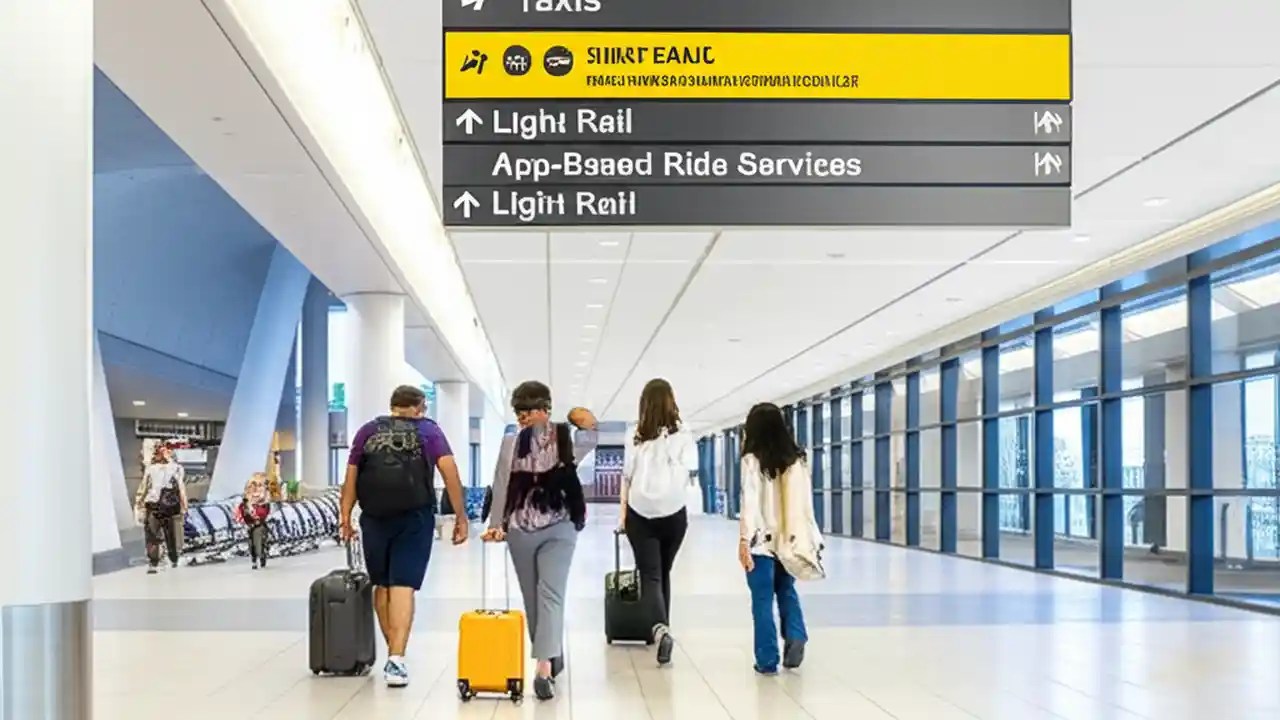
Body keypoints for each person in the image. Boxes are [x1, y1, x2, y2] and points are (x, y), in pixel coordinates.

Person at [339, 385, 469, 688]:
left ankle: (393, 652)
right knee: (404, 584)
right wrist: (460, 516)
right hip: (415, 517)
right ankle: (397, 657)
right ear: (419, 407)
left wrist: (345, 516)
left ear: (393, 405)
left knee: (381, 584)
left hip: (373, 518)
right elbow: (449, 471)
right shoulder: (428, 432)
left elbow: (351, 478)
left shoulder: (367, 431)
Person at [482, 381, 597, 701]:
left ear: (546, 409)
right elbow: (501, 483)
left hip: (560, 527)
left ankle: (543, 667)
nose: (524, 417)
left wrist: (582, 419)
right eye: (519, 412)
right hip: (520, 530)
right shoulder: (510, 443)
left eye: (530, 410)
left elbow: (590, 438)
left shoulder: (565, 437)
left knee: (551, 593)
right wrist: (495, 525)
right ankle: (551, 649)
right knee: (533, 599)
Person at [619, 378, 698, 666]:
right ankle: (663, 627)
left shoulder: (634, 435)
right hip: (674, 514)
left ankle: (660, 628)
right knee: (664, 571)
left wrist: (622, 516)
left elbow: (626, 478)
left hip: (641, 514)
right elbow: (690, 469)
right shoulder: (685, 433)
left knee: (650, 574)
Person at [737, 402, 815, 675]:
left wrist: (744, 540)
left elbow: (750, 503)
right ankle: (796, 634)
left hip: (761, 543)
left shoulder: (751, 461)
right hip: (788, 541)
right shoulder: (797, 460)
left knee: (761, 600)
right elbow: (804, 504)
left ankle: (767, 660)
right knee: (786, 590)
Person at [133, 445, 189, 574]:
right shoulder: (177, 469)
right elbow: (181, 488)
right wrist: (184, 505)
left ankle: (153, 562)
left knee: (152, 534)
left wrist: (139, 502)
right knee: (171, 534)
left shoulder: (151, 469)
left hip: (153, 505)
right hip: (170, 506)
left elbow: (144, 487)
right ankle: (173, 559)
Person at [236, 472, 272, 569]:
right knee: (251, 544)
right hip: (249, 526)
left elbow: (263, 513)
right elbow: (241, 514)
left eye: (259, 485)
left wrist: (256, 518)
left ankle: (261, 556)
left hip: (259, 526)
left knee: (258, 542)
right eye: (253, 485)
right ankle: (254, 559)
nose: (255, 489)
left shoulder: (264, 504)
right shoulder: (246, 503)